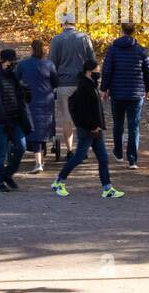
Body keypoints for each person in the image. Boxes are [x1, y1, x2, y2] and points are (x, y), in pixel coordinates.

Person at [51, 58, 125, 199]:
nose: (99, 73)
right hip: (89, 130)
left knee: (103, 159)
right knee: (79, 157)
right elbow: (85, 110)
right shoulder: (85, 87)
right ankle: (59, 181)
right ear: (89, 71)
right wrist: (93, 126)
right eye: (97, 71)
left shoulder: (90, 85)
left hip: (95, 129)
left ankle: (107, 188)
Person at [100, 21, 149, 169]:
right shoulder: (141, 50)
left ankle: (118, 152)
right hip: (136, 93)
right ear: (133, 31)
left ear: (121, 31)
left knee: (118, 123)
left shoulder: (113, 50)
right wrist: (147, 88)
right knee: (134, 126)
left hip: (117, 93)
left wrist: (104, 89)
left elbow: (107, 70)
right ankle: (132, 160)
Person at [49, 12, 95, 157]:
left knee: (67, 118)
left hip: (63, 84)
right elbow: (92, 62)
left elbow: (52, 64)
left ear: (62, 24)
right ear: (75, 24)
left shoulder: (56, 40)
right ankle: (83, 150)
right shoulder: (84, 38)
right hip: (82, 84)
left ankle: (69, 150)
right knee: (84, 117)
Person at [0, 48, 31, 191]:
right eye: (10, 62)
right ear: (2, 62)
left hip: (15, 120)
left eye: (14, 62)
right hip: (1, 122)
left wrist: (25, 93)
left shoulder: (13, 78)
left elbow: (20, 99)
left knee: (21, 146)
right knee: (1, 152)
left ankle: (8, 173)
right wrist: (7, 122)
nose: (13, 65)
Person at [15, 39, 58, 174]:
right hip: (46, 100)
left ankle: (39, 162)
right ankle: (41, 156)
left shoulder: (23, 65)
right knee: (44, 127)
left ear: (31, 50)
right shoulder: (49, 64)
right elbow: (55, 82)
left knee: (33, 127)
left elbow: (15, 80)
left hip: (29, 100)